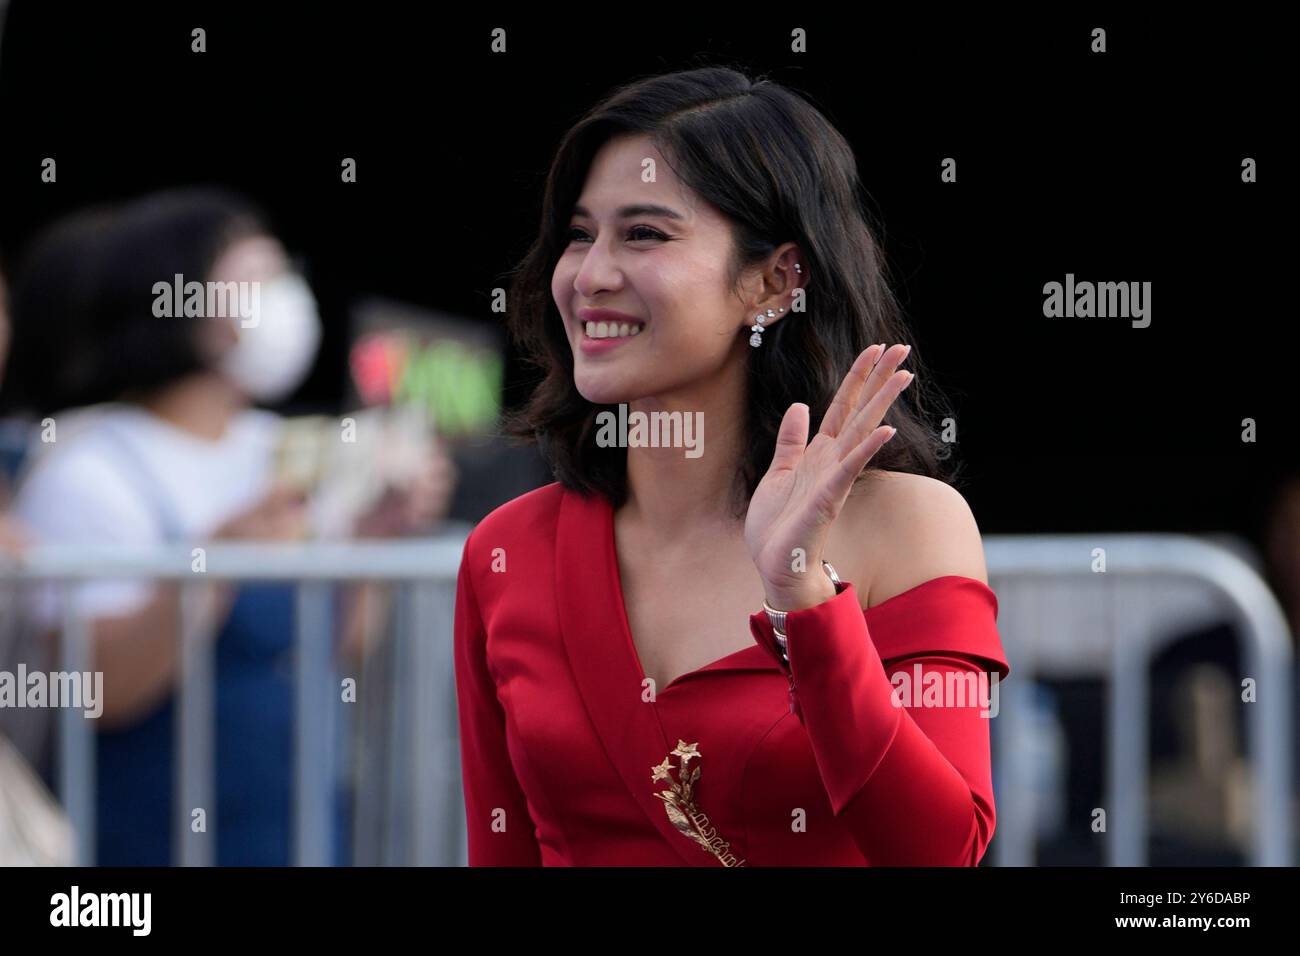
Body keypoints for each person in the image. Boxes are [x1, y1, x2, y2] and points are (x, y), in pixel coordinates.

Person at [453, 66, 1011, 866]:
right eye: (581, 234)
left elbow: (940, 848)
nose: (590, 274)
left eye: (643, 234)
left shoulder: (907, 524)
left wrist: (804, 599)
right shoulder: (506, 551)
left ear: (777, 280)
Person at [8, 188, 453, 865]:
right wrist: (213, 565)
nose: (284, 301)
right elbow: (100, 693)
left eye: (282, 277)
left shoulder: (280, 447)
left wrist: (371, 541)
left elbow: (336, 648)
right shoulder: (91, 467)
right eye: (254, 278)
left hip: (292, 835)